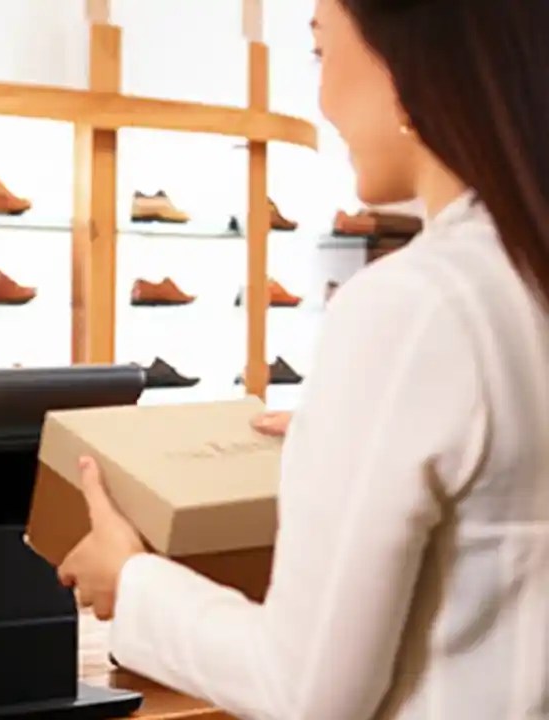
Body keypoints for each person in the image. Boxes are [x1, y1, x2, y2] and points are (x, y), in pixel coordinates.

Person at [59, 1, 549, 717]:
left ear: (404, 61)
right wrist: (352, 440)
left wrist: (131, 583)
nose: (320, 102)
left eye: (321, 53)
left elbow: (308, 690)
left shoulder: (412, 306)